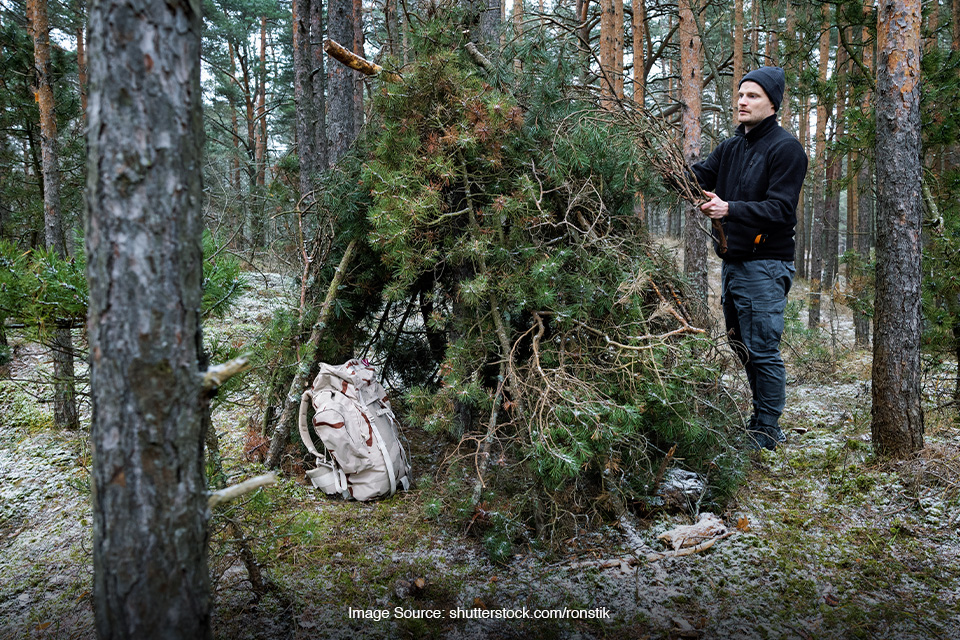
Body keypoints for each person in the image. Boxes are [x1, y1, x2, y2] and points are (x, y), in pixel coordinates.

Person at [691, 66, 808, 450]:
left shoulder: (785, 148)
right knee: (741, 344)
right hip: (734, 262)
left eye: (753, 95)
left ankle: (767, 430)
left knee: (762, 348)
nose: (742, 101)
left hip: (766, 263)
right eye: (740, 94)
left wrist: (730, 210)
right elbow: (699, 175)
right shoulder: (730, 147)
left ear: (772, 103)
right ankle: (760, 420)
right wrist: (662, 168)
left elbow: (780, 209)